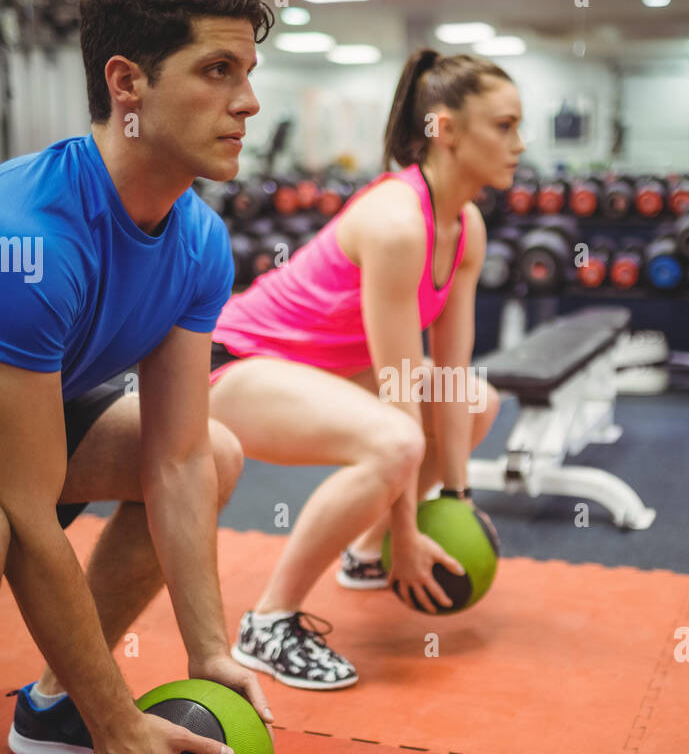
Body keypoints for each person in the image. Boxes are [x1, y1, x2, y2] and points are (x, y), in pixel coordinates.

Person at [0, 0, 276, 754]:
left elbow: (178, 455)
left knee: (221, 453)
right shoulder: (33, 239)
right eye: (217, 71)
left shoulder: (197, 240)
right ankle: (93, 716)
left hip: (28, 419)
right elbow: (30, 515)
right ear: (127, 85)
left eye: (249, 74)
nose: (247, 102)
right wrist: (125, 732)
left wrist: (211, 654)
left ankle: (53, 706)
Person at [208, 49, 522, 688]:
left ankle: (363, 555)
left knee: (474, 401)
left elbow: (450, 374)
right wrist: (409, 532)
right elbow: (403, 393)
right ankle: (269, 622)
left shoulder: (466, 226)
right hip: (232, 365)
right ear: (447, 130)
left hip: (312, 370)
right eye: (505, 125)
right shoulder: (397, 223)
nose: (520, 143)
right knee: (396, 438)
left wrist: (458, 501)